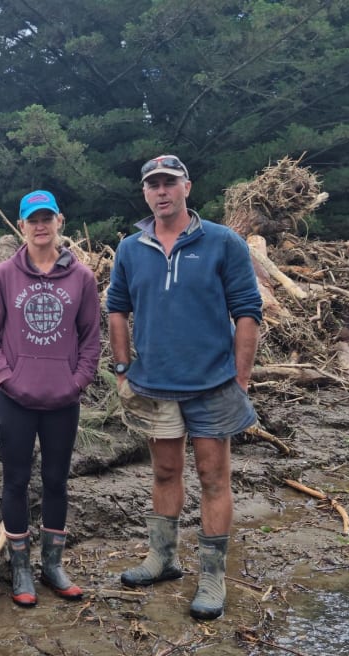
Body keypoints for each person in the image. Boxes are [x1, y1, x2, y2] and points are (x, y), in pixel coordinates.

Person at [106, 155, 262, 620]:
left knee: (214, 477)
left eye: (169, 183)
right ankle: (163, 557)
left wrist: (240, 376)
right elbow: (117, 307)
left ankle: (212, 573)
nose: (161, 191)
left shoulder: (222, 242)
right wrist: (121, 366)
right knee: (164, 473)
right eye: (153, 184)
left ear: (186, 187)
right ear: (145, 193)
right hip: (153, 383)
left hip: (213, 384)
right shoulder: (132, 249)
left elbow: (248, 310)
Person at [0, 190, 102, 606]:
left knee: (55, 481)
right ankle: (21, 569)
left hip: (62, 400)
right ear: (22, 225)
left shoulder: (82, 278)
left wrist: (77, 382)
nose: (40, 225)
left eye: (47, 217)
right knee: (15, 481)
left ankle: (52, 565)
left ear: (60, 221)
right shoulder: (3, 276)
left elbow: (90, 339)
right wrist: (5, 378)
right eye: (33, 219)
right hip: (15, 399)